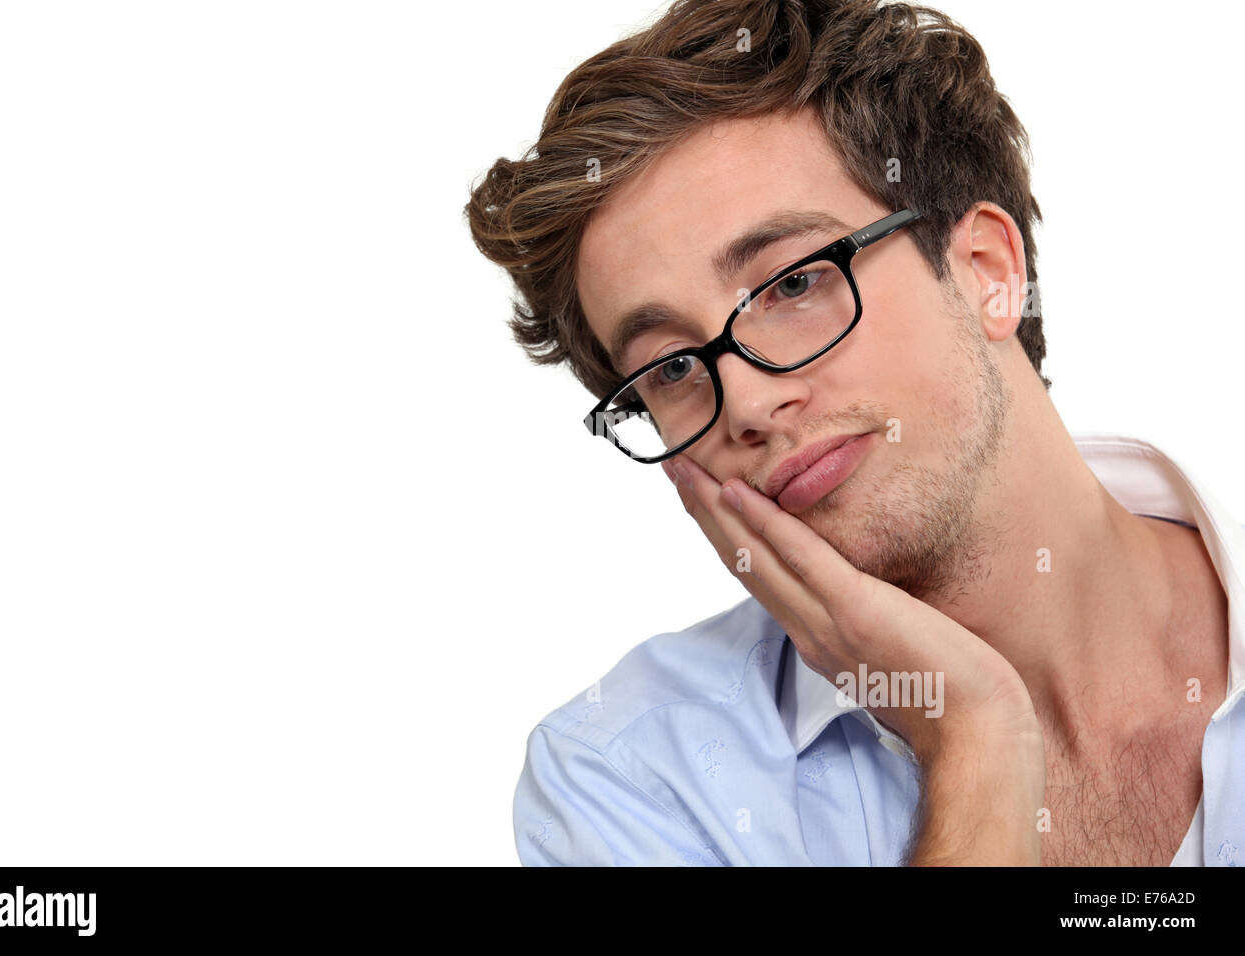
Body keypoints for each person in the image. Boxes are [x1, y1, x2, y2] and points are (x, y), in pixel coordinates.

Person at [464, 0, 1243, 865]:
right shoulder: (632, 780)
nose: (748, 403)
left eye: (793, 284)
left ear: (987, 271)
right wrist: (974, 740)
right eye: (673, 369)